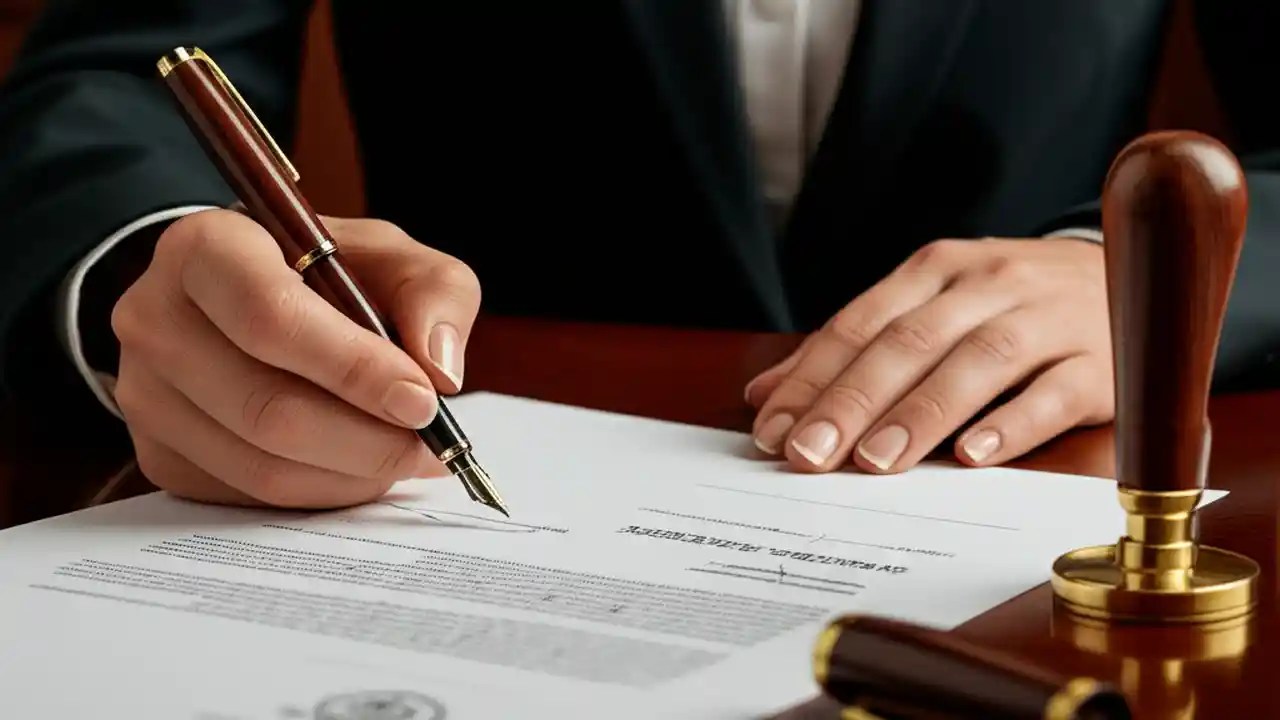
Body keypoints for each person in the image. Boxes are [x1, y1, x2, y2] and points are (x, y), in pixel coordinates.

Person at [0, 1, 1275, 509]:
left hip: (1025, 518)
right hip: (407, 454)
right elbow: (116, 69)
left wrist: (1153, 280)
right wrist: (143, 267)